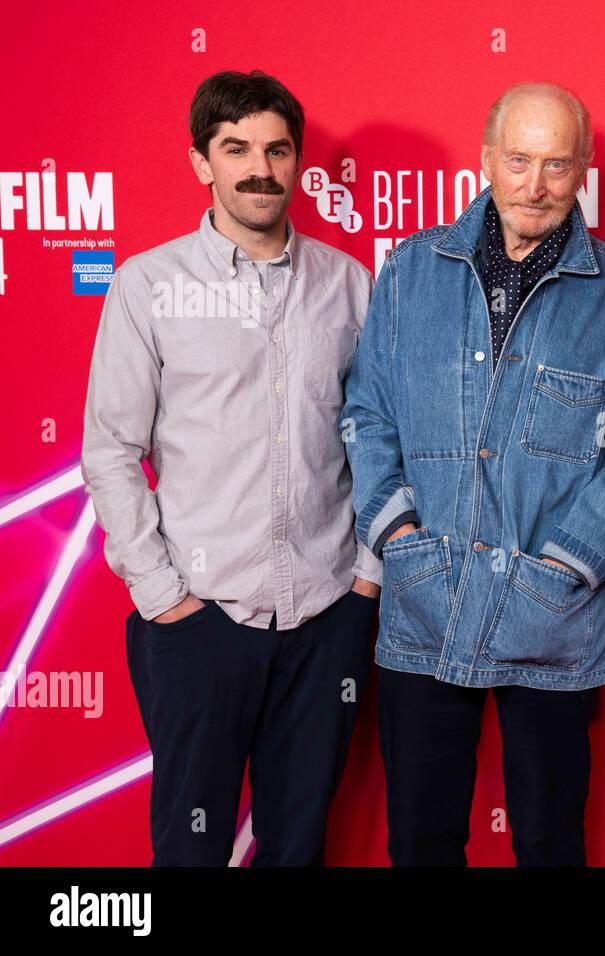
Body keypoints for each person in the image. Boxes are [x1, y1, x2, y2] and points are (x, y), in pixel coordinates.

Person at [342, 81, 605, 867]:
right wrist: (396, 531)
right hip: (427, 601)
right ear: (488, 157)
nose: (536, 184)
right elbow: (368, 413)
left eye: (557, 164)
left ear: (585, 170)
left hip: (551, 613)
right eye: (520, 160)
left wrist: (570, 561)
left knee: (547, 841)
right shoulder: (412, 271)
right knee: (421, 841)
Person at [81, 70, 381, 866]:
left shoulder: (350, 287)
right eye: (236, 148)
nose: (260, 168)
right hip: (198, 621)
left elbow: (384, 438)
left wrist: (366, 581)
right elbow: (110, 448)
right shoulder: (148, 285)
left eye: (277, 149)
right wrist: (162, 597)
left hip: (325, 618)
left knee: (299, 848)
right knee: (190, 848)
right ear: (201, 163)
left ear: (298, 161)